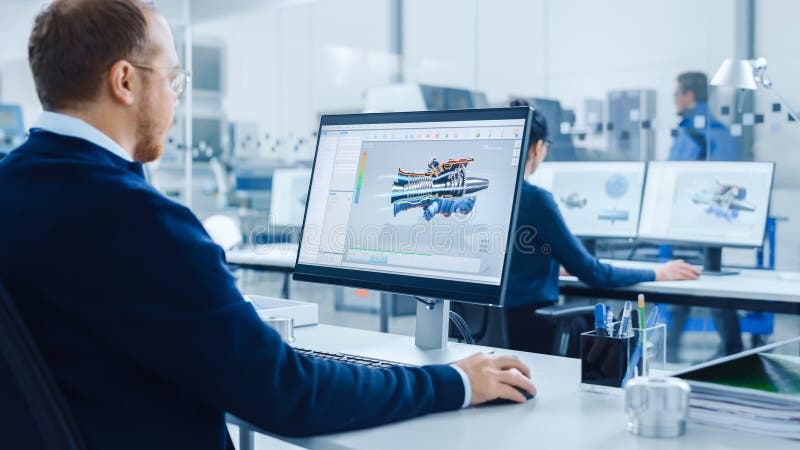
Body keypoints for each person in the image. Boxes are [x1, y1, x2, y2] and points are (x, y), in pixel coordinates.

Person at [0, 1, 534, 449]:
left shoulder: (17, 189)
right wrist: (455, 382)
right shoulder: (141, 225)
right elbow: (289, 395)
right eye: (174, 80)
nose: (175, 101)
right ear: (124, 81)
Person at [453, 100, 700, 355]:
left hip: (476, 335)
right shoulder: (534, 200)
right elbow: (593, 273)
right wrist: (657, 272)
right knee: (608, 329)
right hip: (529, 334)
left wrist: (547, 265)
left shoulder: (471, 194)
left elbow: (502, 254)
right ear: (538, 148)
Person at [666, 71, 744, 362]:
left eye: (677, 94)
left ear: (688, 96)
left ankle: (726, 349)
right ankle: (724, 347)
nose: (675, 100)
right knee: (696, 276)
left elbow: (676, 173)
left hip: (697, 219)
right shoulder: (707, 128)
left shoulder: (700, 131)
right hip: (700, 218)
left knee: (696, 279)